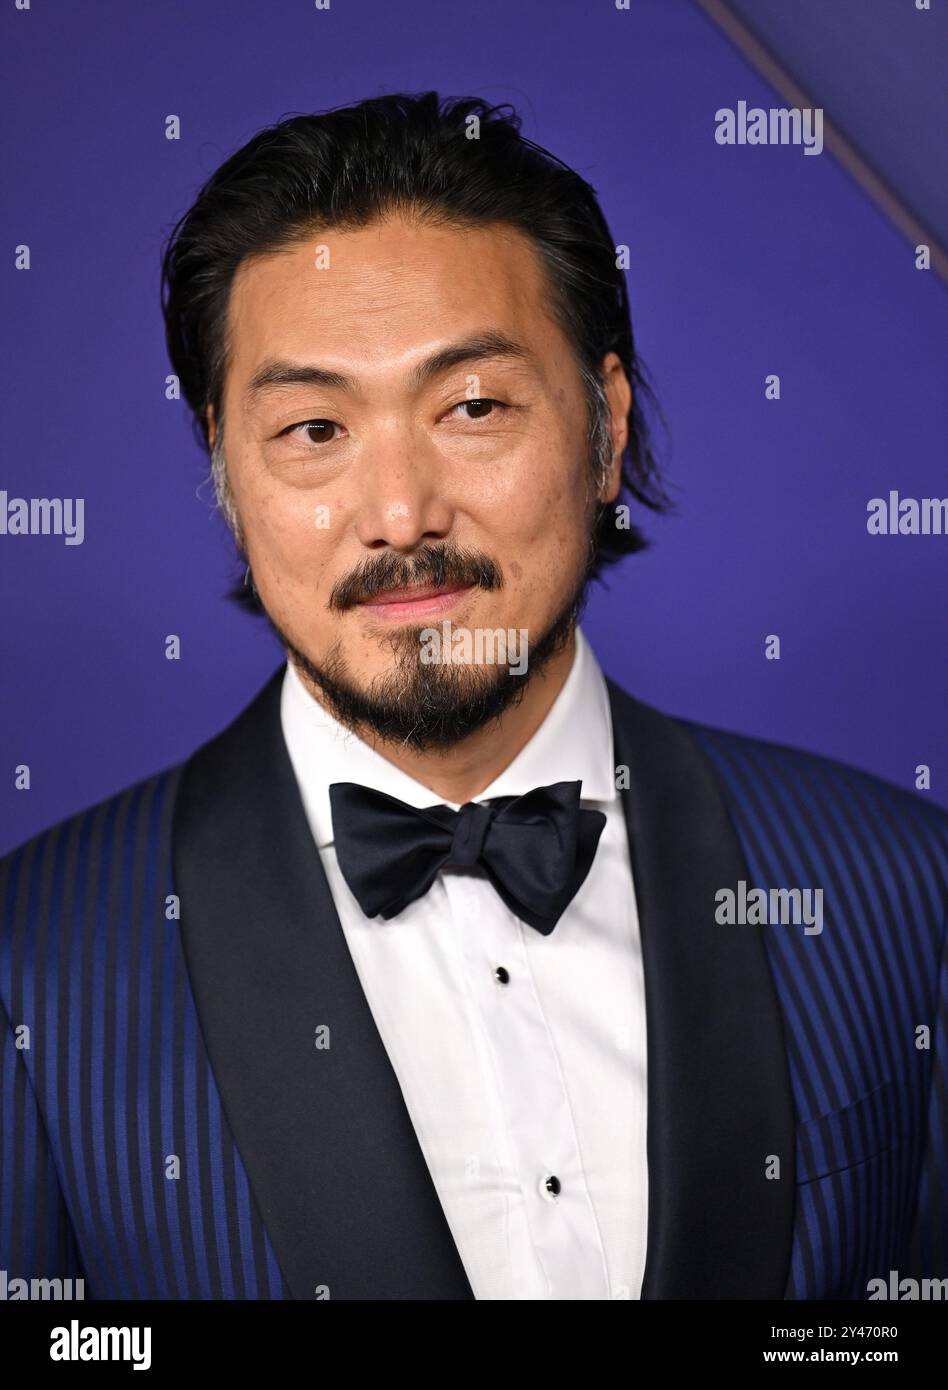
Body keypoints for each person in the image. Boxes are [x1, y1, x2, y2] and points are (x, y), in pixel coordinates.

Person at [1, 92, 946, 1301]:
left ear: (605, 432)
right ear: (228, 474)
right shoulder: (30, 975)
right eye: (312, 427)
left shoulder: (905, 894)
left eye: (473, 407)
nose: (400, 512)